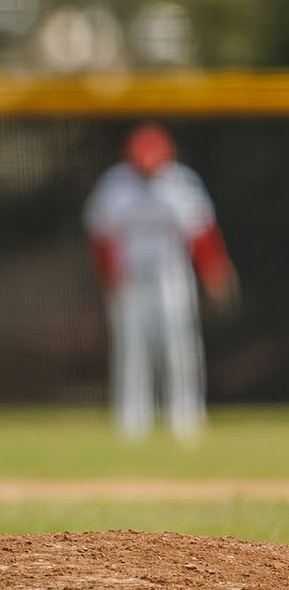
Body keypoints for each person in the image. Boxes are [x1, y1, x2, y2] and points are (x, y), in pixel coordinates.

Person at [83, 122, 236, 443]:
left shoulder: (181, 184)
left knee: (180, 347)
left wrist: (214, 271)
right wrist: (110, 277)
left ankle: (186, 417)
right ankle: (133, 421)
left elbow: (202, 234)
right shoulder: (115, 186)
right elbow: (100, 236)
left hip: (172, 276)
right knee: (132, 349)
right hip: (131, 279)